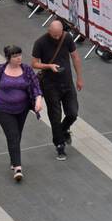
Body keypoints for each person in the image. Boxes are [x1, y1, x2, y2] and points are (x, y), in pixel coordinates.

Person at [0, 45, 44, 181]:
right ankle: (17, 168)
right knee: (13, 135)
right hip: (3, 109)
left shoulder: (26, 70)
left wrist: (38, 101)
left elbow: (36, 87)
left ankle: (13, 159)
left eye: (20, 55)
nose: (19, 58)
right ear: (8, 58)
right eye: (15, 56)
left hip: (21, 109)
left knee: (17, 135)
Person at [31, 18, 83, 160]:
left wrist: (79, 77)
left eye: (59, 34)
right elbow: (34, 63)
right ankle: (59, 145)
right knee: (55, 116)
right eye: (54, 35)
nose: (57, 37)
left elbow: (75, 57)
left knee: (73, 113)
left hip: (67, 82)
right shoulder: (40, 42)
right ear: (49, 31)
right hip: (50, 85)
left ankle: (63, 130)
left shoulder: (67, 38)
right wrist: (49, 66)